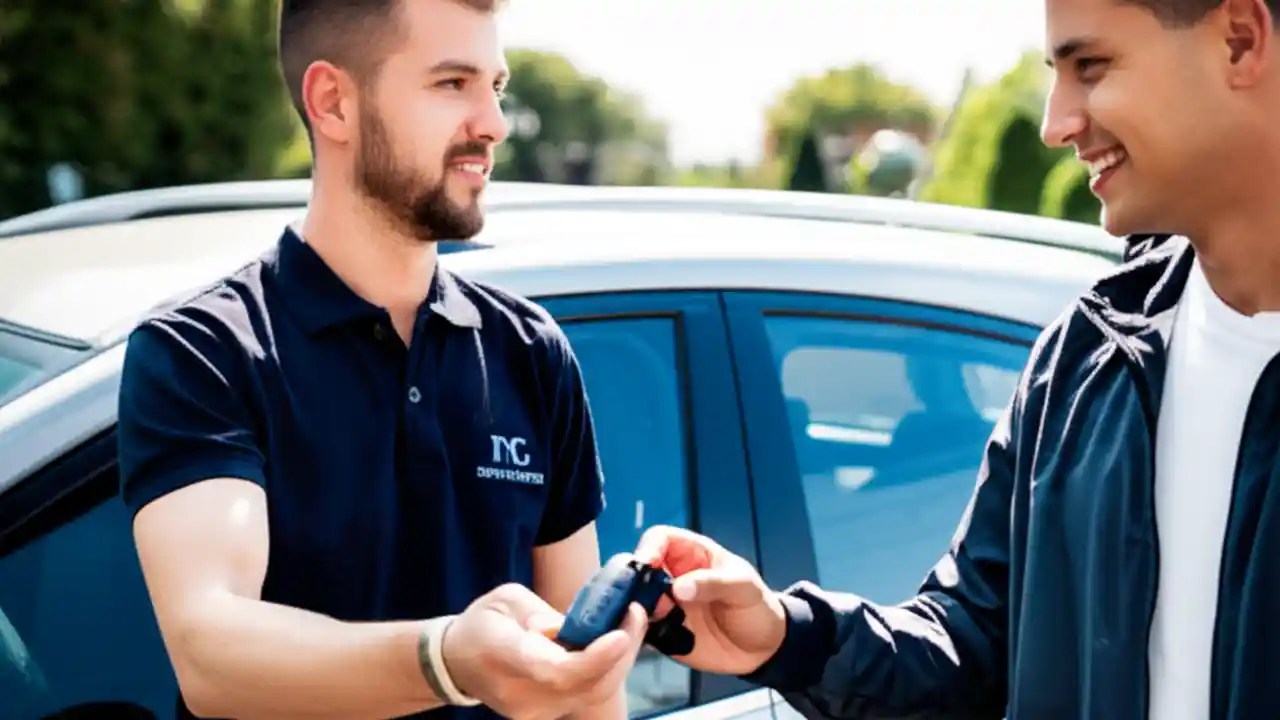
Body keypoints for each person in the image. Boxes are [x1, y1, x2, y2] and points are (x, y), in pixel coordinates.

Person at [633, 0, 1280, 718]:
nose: (1056, 122)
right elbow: (968, 652)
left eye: (1090, 67)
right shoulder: (1085, 360)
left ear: (1240, 41)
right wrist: (787, 637)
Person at [116, 1, 645, 718]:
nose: (492, 124)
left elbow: (586, 690)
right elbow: (213, 650)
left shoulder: (531, 352)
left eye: (498, 86)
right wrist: (445, 657)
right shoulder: (205, 351)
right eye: (452, 84)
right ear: (333, 101)